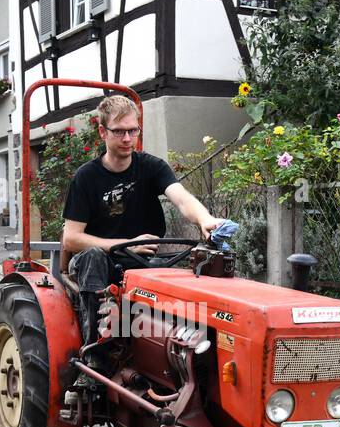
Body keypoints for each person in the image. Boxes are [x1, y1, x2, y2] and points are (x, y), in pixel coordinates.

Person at [60, 95, 224, 346]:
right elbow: (71, 238)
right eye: (119, 132)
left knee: (192, 277)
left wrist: (205, 219)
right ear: (103, 132)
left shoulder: (152, 167)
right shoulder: (87, 177)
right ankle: (95, 351)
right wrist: (127, 243)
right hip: (94, 262)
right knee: (94, 256)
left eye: (132, 130)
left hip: (142, 259)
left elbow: (181, 199)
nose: (127, 139)